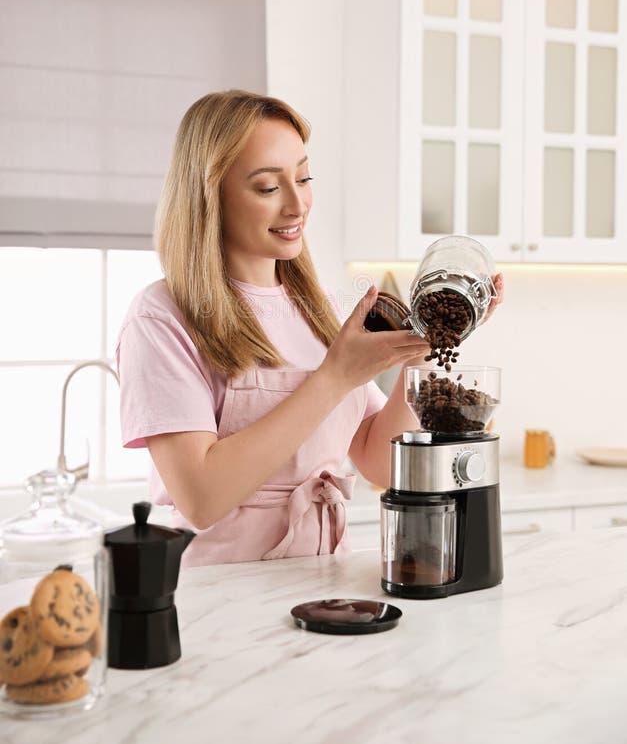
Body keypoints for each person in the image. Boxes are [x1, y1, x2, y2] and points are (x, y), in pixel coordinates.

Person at [116, 90, 502, 566]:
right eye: (268, 187)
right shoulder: (161, 318)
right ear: (209, 196)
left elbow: (378, 461)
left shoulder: (318, 311)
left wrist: (423, 351)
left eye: (304, 177)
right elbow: (201, 497)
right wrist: (336, 376)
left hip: (322, 582)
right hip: (218, 599)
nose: (298, 205)